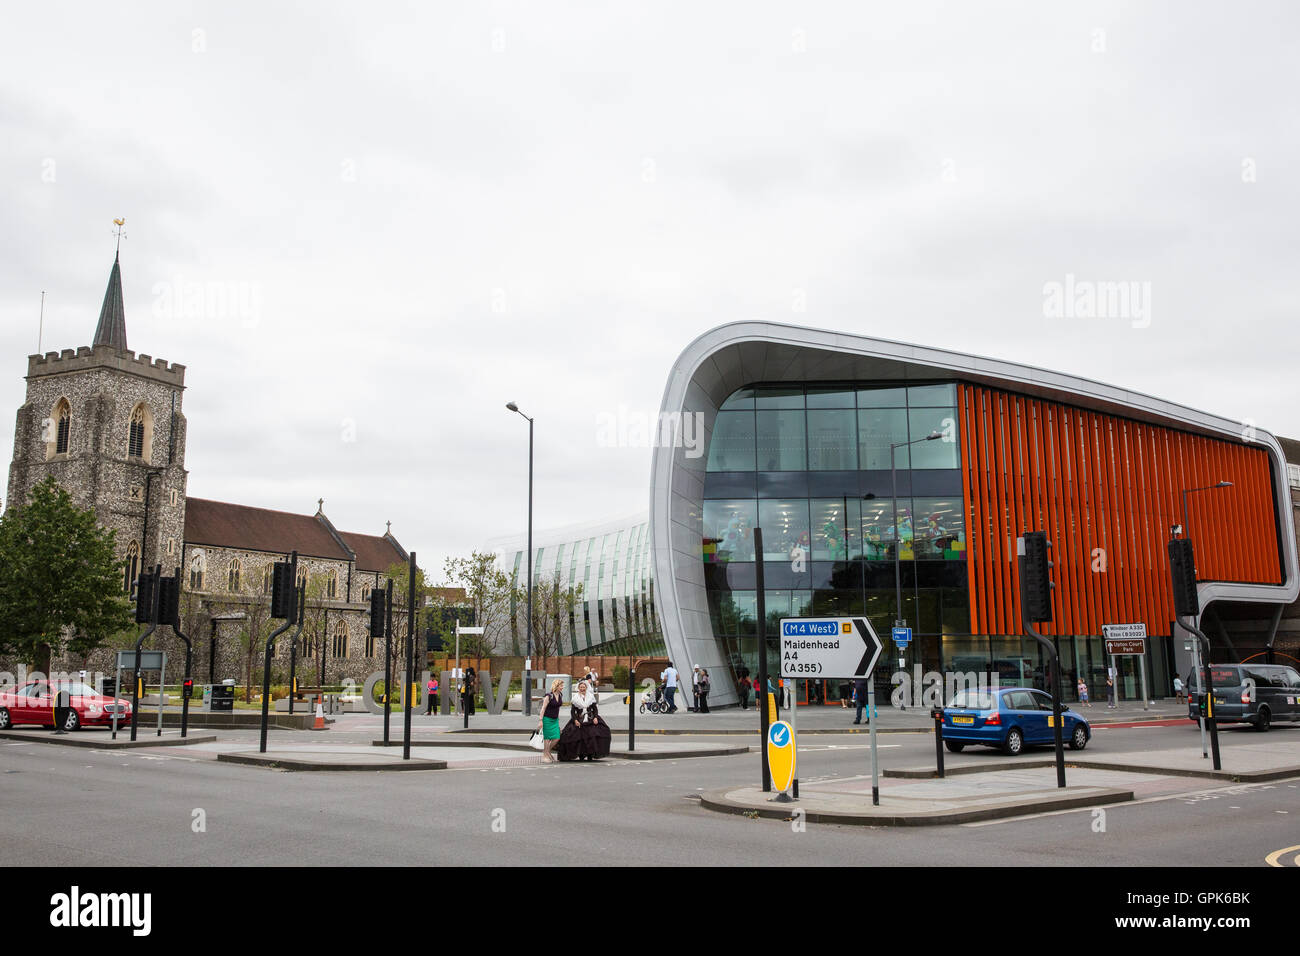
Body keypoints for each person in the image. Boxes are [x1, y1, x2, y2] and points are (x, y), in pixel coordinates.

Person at [537, 679, 564, 762]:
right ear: (556, 686)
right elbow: (543, 708)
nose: (562, 687)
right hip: (547, 719)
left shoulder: (560, 695)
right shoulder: (549, 696)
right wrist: (540, 720)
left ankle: (547, 752)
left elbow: (557, 708)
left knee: (557, 738)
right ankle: (545, 756)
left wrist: (558, 719)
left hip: (555, 720)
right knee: (547, 738)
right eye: (561, 686)